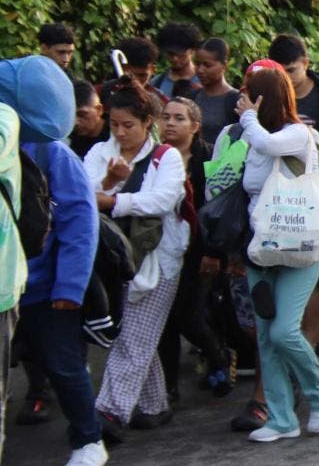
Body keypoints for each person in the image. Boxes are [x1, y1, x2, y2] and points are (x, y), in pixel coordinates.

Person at [1, 55, 104, 464]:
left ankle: (88, 439)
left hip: (44, 288)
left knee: (65, 366)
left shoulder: (50, 151)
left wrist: (69, 286)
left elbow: (81, 222)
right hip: (12, 287)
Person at [233, 62, 319, 442]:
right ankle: (281, 418)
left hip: (299, 246)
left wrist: (248, 119)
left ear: (264, 97)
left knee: (283, 331)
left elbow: (268, 144)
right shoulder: (249, 135)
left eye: (248, 92)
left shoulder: (299, 134)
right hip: (260, 249)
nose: (241, 98)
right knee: (265, 336)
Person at [85, 78, 189, 439]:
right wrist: (110, 182)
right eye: (114, 124)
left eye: (128, 125)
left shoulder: (167, 157)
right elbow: (84, 195)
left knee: (132, 337)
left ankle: (110, 412)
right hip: (114, 260)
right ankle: (154, 406)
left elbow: (163, 200)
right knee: (136, 335)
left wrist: (113, 199)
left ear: (148, 123)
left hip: (160, 260)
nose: (120, 132)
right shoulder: (100, 153)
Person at [267, 34, 319, 359]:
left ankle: (317, 344)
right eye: (280, 72)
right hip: (281, 199)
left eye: (292, 70)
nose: (287, 78)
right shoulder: (270, 98)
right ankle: (311, 343)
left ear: (307, 64)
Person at [155, 98, 232, 400]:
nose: (170, 123)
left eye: (179, 118)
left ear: (195, 126)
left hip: (201, 250)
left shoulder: (209, 158)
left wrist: (214, 252)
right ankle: (169, 385)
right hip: (163, 250)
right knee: (166, 320)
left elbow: (219, 208)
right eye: (166, 117)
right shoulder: (155, 158)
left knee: (190, 315)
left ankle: (220, 356)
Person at [192, 38, 239, 145]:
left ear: (224, 65)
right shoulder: (192, 97)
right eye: (197, 64)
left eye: (207, 65)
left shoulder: (236, 101)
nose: (200, 70)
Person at [100, 37, 168, 108]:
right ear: (121, 68)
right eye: (130, 76)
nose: (135, 81)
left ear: (153, 70)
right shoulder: (103, 92)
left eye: (142, 76)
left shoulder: (161, 100)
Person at [150, 22, 203, 99]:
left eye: (180, 53)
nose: (175, 58)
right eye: (170, 54)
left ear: (192, 50)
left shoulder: (204, 81)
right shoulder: (156, 83)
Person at [71, 80, 109, 159]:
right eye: (71, 116)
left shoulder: (117, 135)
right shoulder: (69, 140)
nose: (75, 122)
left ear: (99, 110)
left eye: (82, 115)